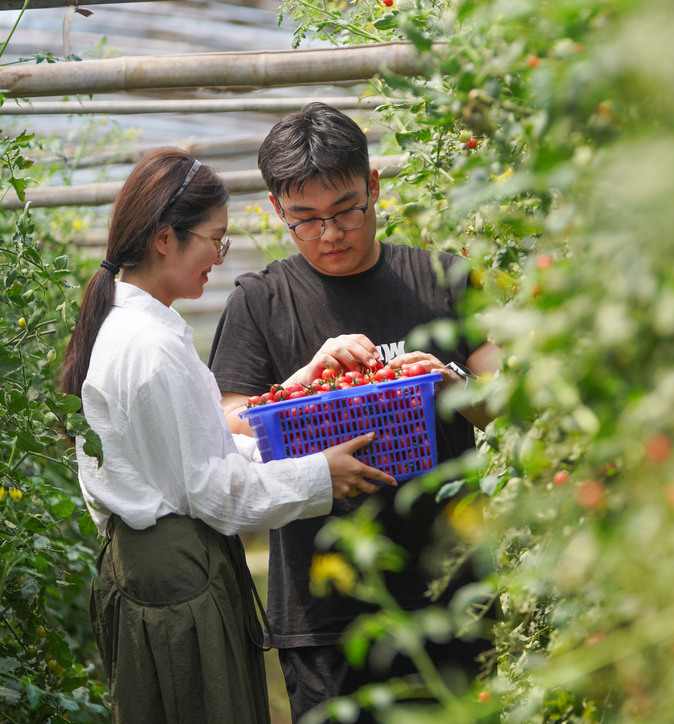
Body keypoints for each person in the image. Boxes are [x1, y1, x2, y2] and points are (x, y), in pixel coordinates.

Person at [60, 148, 398, 723]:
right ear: (165, 239)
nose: (219, 258)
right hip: (175, 580)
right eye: (215, 241)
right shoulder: (149, 346)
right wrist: (321, 476)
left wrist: (296, 393)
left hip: (168, 571)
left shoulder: (137, 328)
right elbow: (213, 491)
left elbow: (204, 441)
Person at [207, 102, 501, 721]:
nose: (330, 234)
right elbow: (227, 425)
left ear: (373, 185)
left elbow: (505, 402)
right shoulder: (260, 302)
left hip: (450, 591)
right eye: (306, 220)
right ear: (277, 210)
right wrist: (302, 380)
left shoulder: (443, 279)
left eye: (346, 210)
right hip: (324, 611)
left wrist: (449, 381)